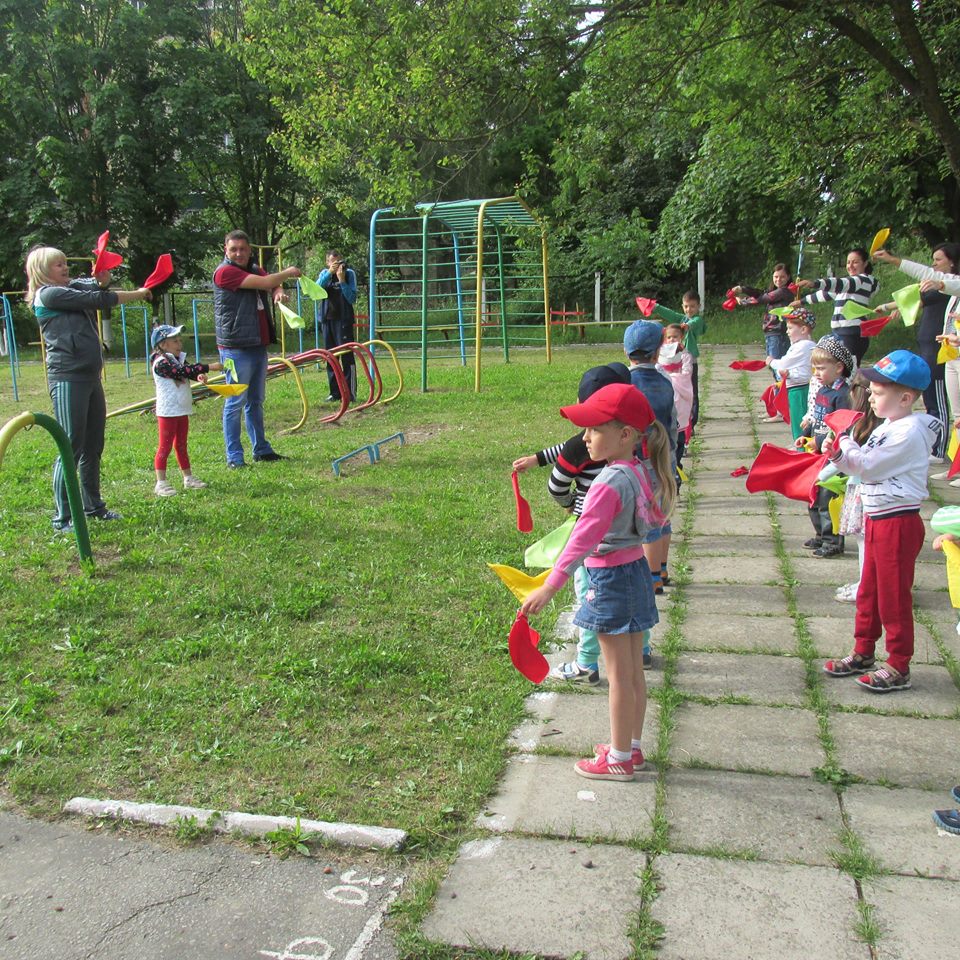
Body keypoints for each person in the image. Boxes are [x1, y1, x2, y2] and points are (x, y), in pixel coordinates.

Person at [520, 383, 675, 781]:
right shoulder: (639, 470)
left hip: (609, 581)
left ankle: (619, 758)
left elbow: (581, 539)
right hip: (636, 574)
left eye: (593, 430)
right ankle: (632, 748)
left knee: (618, 677)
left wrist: (549, 585)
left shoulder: (608, 483)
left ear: (625, 435)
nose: (584, 438)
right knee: (633, 674)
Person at [822, 350, 941, 692]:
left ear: (905, 398)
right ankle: (863, 650)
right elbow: (858, 463)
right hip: (878, 518)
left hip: (897, 523)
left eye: (878, 392)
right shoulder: (891, 425)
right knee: (869, 591)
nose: (870, 397)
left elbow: (868, 466)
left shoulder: (908, 433)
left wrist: (842, 441)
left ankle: (899, 664)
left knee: (893, 596)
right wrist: (838, 451)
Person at [512, 363, 632, 685]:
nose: (585, 434)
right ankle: (643, 650)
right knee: (630, 595)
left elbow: (558, 481)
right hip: (627, 539)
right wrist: (536, 459)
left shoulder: (581, 446)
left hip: (589, 528)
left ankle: (586, 664)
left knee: (589, 596)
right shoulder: (633, 446)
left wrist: (571, 507)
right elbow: (564, 448)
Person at [26, 245, 152, 534]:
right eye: (58, 265)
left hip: (90, 376)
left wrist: (100, 277)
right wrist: (138, 293)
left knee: (93, 446)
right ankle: (63, 518)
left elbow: (93, 285)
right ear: (43, 270)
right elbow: (98, 297)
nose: (65, 267)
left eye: (65, 262)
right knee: (70, 446)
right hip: (67, 377)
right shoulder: (49, 294)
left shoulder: (68, 287)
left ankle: (93, 507)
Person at [213, 230, 301, 468]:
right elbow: (265, 281)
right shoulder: (225, 272)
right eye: (234, 249)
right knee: (235, 402)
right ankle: (234, 457)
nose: (239, 253)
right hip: (235, 347)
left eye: (242, 249)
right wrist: (288, 273)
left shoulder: (252, 267)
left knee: (255, 401)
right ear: (226, 251)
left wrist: (279, 291)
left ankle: (261, 449)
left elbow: (272, 282)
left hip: (257, 344)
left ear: (249, 250)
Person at [873, 244, 960, 464]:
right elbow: (927, 276)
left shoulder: (950, 286)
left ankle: (939, 451)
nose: (933, 264)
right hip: (945, 352)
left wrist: (940, 283)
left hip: (949, 352)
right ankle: (952, 463)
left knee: (941, 403)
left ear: (952, 262)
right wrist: (894, 260)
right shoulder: (946, 288)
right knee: (954, 412)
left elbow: (932, 287)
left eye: (938, 259)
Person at [624, 319, 678, 605]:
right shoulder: (665, 381)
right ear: (658, 352)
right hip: (664, 459)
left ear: (625, 351)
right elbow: (673, 424)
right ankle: (663, 570)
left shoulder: (626, 384)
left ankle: (652, 579)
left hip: (640, 464)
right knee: (663, 517)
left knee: (649, 525)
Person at [823, 372, 882, 602]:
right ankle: (865, 582)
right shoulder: (868, 426)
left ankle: (867, 588)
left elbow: (855, 464)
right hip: (862, 491)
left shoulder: (859, 429)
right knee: (865, 544)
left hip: (865, 494)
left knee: (866, 544)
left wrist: (817, 474)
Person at [797, 336, 854, 558]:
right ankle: (821, 534)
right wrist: (805, 435)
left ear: (839, 367)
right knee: (812, 495)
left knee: (827, 500)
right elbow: (817, 419)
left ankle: (833, 541)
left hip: (834, 456)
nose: (816, 373)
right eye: (814, 368)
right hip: (817, 454)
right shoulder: (824, 390)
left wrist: (820, 442)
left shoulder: (843, 396)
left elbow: (841, 429)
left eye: (821, 368)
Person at [150, 324, 222, 496]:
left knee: (181, 445)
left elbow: (188, 372)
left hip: (182, 409)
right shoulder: (161, 363)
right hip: (168, 412)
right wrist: (208, 367)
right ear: (163, 345)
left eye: (179, 340)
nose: (179, 343)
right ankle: (161, 482)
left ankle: (188, 478)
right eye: (174, 340)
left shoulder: (176, 359)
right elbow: (180, 371)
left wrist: (198, 376)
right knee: (165, 447)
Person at [793, 247, 878, 365]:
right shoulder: (847, 285)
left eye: (855, 262)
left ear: (865, 264)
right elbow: (825, 294)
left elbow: (839, 283)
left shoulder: (863, 281)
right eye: (848, 262)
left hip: (852, 334)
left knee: (848, 372)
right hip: (839, 332)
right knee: (840, 371)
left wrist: (815, 283)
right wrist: (801, 302)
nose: (850, 265)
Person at [732, 263, 795, 401]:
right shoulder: (776, 290)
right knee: (775, 369)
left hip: (778, 333)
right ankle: (782, 405)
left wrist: (742, 299)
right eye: (776, 277)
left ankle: (782, 407)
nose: (779, 280)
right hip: (772, 334)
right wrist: (743, 290)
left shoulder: (785, 291)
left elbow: (763, 298)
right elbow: (761, 293)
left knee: (778, 369)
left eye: (782, 277)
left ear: (789, 277)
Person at [649, 290, 706, 429]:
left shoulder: (696, 320)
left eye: (692, 306)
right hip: (673, 366)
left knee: (691, 392)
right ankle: (677, 417)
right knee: (675, 393)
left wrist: (687, 326)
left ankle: (691, 423)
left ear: (699, 306)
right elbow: (670, 313)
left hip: (688, 364)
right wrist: (655, 307)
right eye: (686, 306)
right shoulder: (682, 319)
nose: (689, 309)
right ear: (682, 306)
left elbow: (696, 323)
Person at [768, 308, 816, 442]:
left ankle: (802, 448)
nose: (787, 332)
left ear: (803, 330)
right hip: (795, 386)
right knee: (796, 421)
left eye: (790, 328)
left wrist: (771, 361)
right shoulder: (800, 345)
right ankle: (799, 445)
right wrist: (787, 374)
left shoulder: (804, 346)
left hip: (800, 389)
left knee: (800, 421)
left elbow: (783, 364)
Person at [317, 251, 358, 402]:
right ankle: (335, 393)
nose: (337, 265)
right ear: (327, 263)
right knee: (330, 358)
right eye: (333, 262)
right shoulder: (324, 274)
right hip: (327, 321)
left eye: (339, 262)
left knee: (347, 357)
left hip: (343, 320)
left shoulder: (349, 274)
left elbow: (352, 298)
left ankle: (350, 393)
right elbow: (316, 291)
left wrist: (341, 281)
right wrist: (329, 274)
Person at [656, 324, 693, 474]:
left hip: (680, 394)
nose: (672, 340)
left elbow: (687, 373)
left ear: (681, 338)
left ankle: (677, 464)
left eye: (675, 337)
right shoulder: (659, 355)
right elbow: (657, 368)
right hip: (666, 394)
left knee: (679, 432)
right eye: (669, 337)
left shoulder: (685, 355)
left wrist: (671, 378)